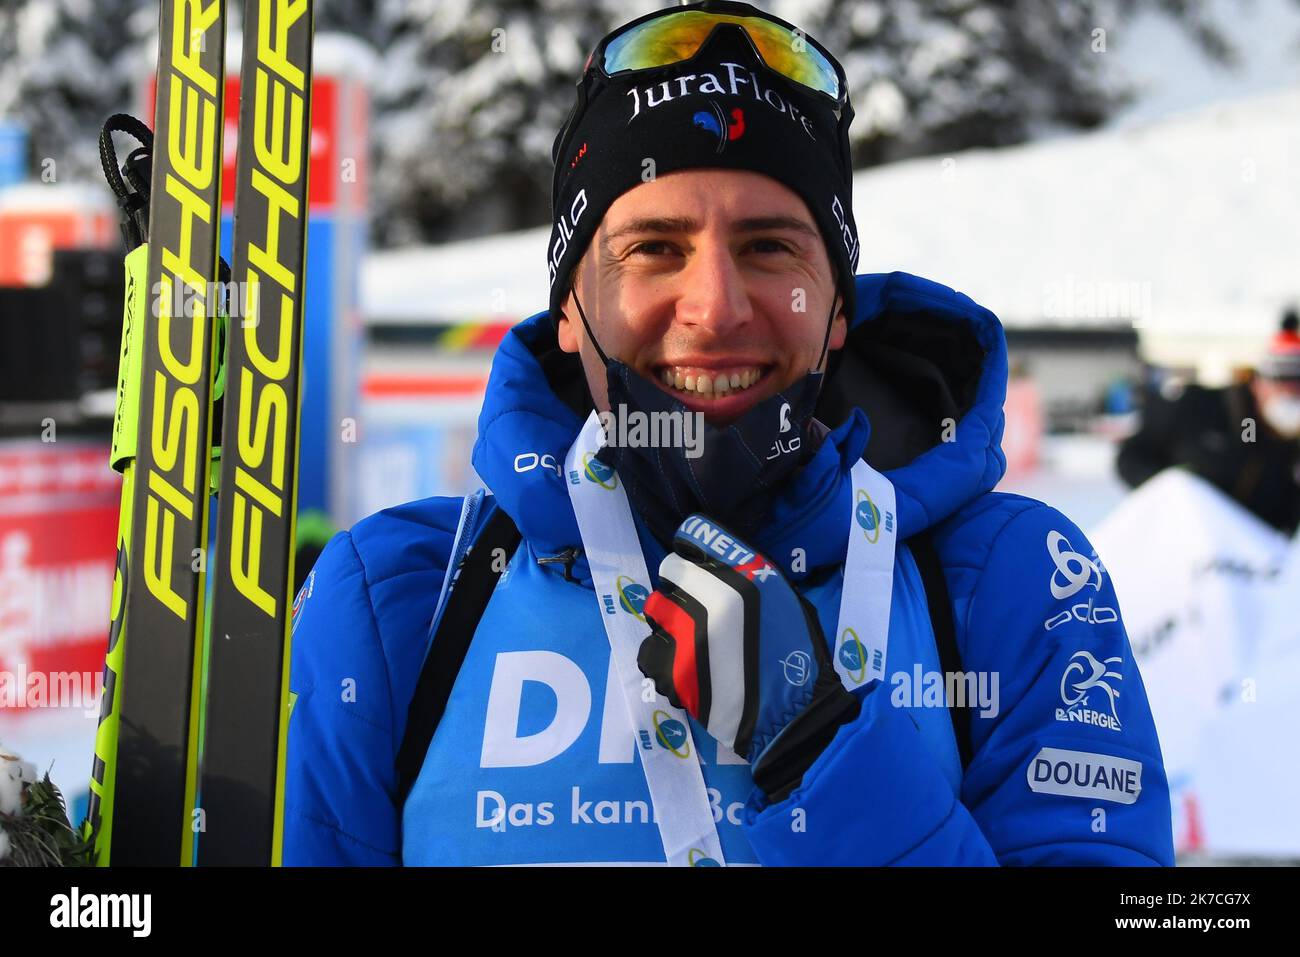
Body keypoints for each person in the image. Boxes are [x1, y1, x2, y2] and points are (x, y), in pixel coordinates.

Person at [285, 0, 1173, 866]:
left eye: (769, 248)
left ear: (835, 312)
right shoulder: (400, 598)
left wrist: (822, 749)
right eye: (654, 249)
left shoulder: (1008, 581)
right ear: (567, 307)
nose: (715, 309)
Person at [1118, 310, 1300, 535]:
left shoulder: (1290, 444)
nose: (1290, 394)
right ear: (1258, 383)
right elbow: (1131, 458)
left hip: (1256, 557)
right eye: (1282, 382)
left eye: (1298, 386)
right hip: (1187, 543)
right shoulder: (1201, 407)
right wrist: (1172, 489)